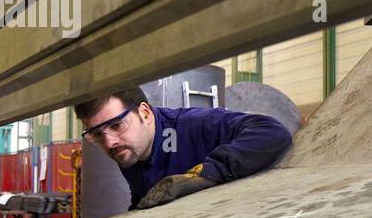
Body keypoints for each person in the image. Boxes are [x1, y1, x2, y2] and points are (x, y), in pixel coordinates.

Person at [73, 86, 291, 209]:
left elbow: (271, 131)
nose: (109, 142)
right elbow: (142, 197)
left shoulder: (194, 125)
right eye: (98, 134)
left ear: (145, 114)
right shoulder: (127, 150)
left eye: (117, 125)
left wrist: (207, 173)